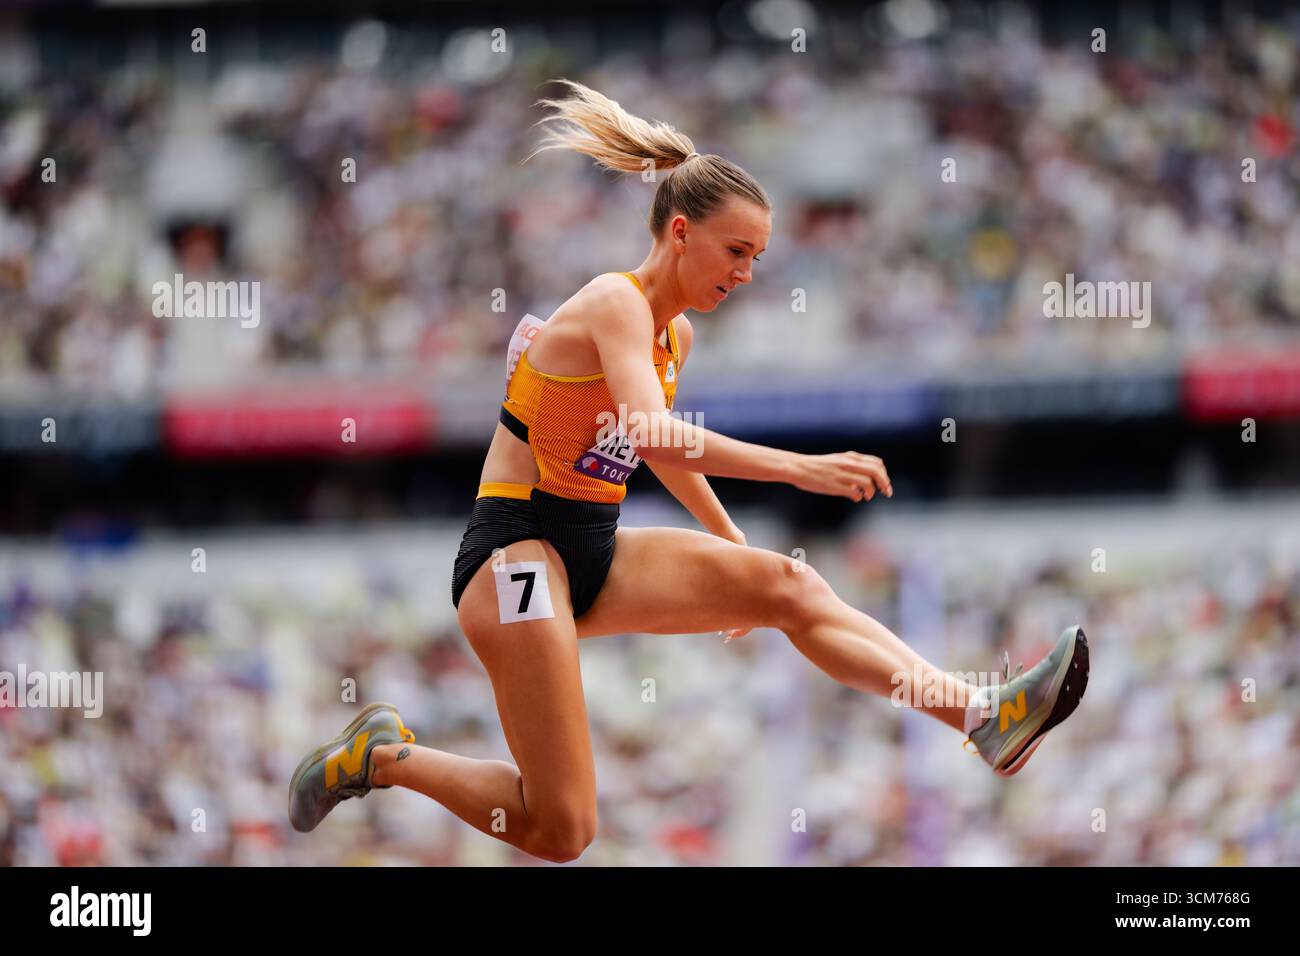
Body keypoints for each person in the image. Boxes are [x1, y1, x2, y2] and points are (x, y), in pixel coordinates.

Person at [288, 79, 1090, 863]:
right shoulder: (613, 302)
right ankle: (380, 759)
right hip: (514, 551)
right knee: (562, 831)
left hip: (593, 543)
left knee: (788, 587)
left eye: (758, 257)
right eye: (736, 251)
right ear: (679, 233)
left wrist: (730, 537)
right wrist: (797, 468)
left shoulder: (674, 340)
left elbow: (656, 450)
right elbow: (649, 429)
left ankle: (984, 716)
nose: (745, 273)